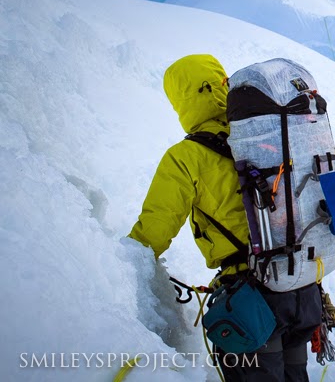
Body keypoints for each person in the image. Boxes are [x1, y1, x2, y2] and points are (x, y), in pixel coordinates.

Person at [128, 54, 322, 382]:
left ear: (181, 100)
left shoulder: (185, 157)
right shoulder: (269, 132)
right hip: (302, 287)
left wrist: (113, 266)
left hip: (252, 300)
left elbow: (154, 231)